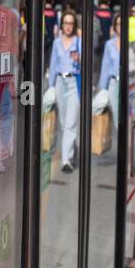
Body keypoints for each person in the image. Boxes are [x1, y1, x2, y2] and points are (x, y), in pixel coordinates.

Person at [48, 10, 82, 174]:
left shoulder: (79, 42)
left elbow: (86, 66)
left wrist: (79, 59)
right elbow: (53, 65)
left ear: (74, 26)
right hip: (60, 82)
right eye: (66, 23)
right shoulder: (56, 43)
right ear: (62, 25)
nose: (68, 26)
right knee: (63, 123)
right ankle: (71, 148)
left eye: (71, 23)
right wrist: (51, 87)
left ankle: (65, 160)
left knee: (70, 123)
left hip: (74, 82)